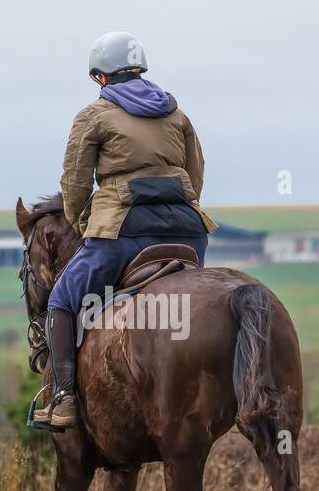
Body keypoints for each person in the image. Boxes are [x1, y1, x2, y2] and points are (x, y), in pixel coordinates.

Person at [33, 31, 216, 430]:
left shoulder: (93, 115)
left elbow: (75, 183)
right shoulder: (176, 113)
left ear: (100, 76)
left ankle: (64, 399)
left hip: (124, 230)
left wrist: (85, 225)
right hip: (188, 231)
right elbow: (196, 173)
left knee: (62, 300)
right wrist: (181, 211)